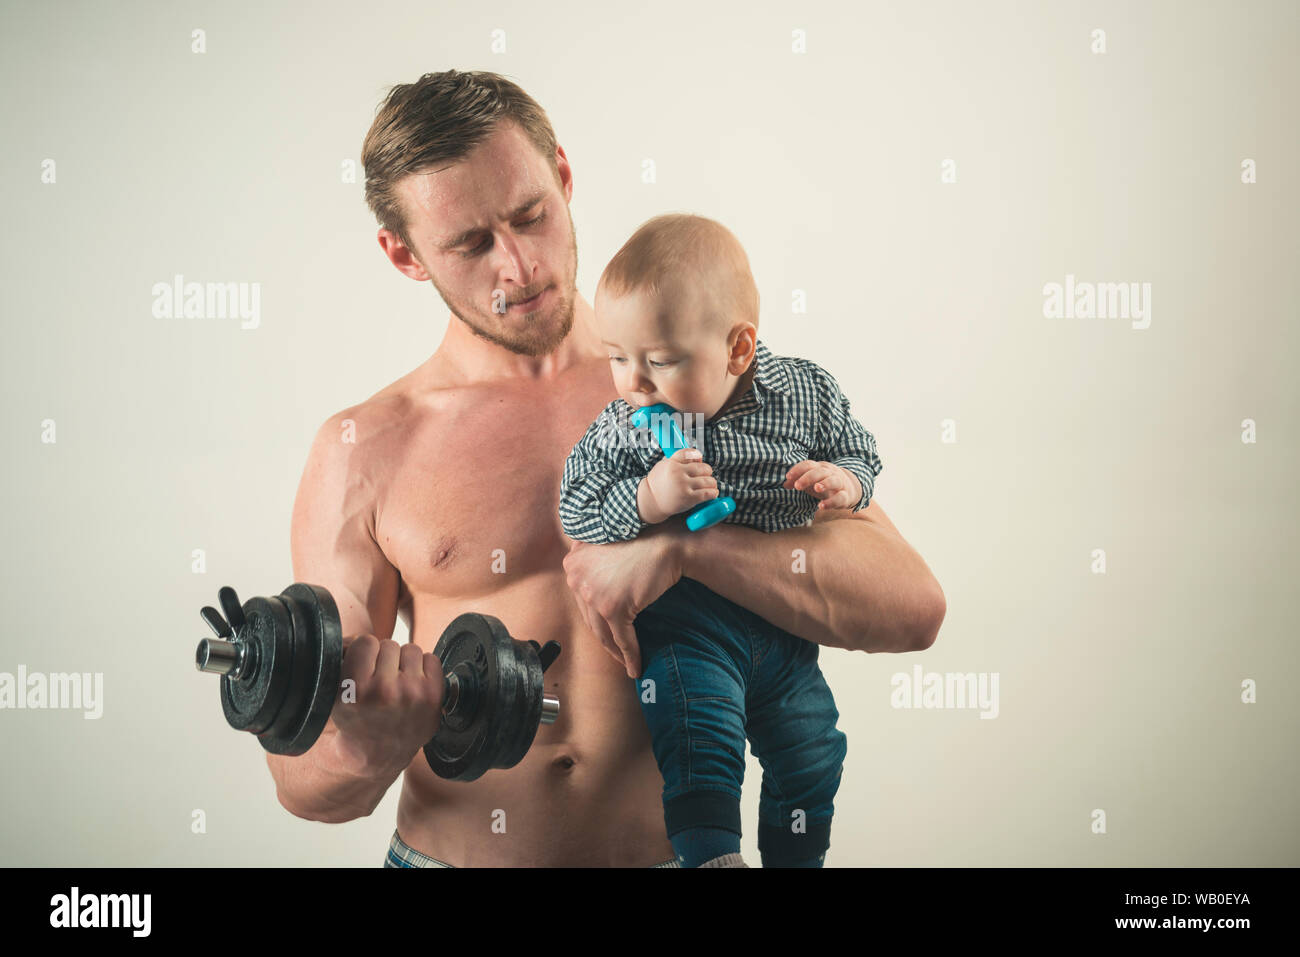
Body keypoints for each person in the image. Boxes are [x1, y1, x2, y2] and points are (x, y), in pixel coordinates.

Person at [267, 69, 946, 867]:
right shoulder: (363, 450)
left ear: (562, 174)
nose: (519, 266)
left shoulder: (703, 381)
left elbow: (913, 607)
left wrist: (683, 550)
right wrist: (363, 747)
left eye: (530, 215)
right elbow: (303, 783)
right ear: (403, 254)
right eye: (471, 244)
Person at [558, 213, 882, 867]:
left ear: (738, 349)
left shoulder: (804, 393)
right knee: (699, 741)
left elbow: (859, 449)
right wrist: (649, 499)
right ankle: (712, 857)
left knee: (815, 749)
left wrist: (847, 481)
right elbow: (576, 505)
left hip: (782, 618)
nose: (633, 382)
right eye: (618, 357)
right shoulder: (626, 426)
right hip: (689, 624)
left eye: (659, 361)